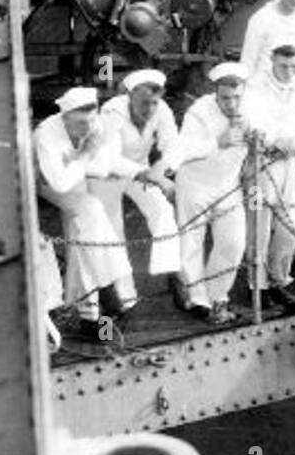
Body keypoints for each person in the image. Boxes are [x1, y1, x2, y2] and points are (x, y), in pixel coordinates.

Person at [34, 86, 145, 336]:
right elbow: (58, 182)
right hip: (40, 182)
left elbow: (106, 163)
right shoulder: (46, 134)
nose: (87, 127)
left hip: (73, 180)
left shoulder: (94, 126)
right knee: (91, 210)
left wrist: (140, 172)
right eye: (80, 122)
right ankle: (107, 288)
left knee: (86, 234)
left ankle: (91, 317)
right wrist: (84, 156)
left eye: (90, 120)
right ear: (65, 117)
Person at [96, 69, 192, 306]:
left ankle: (173, 275)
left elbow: (174, 147)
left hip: (142, 171)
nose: (149, 109)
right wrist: (155, 177)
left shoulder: (161, 109)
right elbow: (110, 158)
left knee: (163, 211)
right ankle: (124, 295)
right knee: (113, 230)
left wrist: (162, 167)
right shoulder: (112, 111)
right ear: (129, 98)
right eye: (142, 103)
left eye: (153, 103)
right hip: (107, 174)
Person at [243, 41, 295, 302]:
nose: (289, 70)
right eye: (283, 65)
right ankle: (256, 286)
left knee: (292, 227)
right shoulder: (255, 87)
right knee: (258, 226)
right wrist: (273, 140)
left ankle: (278, 279)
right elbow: (252, 118)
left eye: (293, 66)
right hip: (261, 166)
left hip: (292, 164)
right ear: (273, 61)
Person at [175, 63, 252, 323]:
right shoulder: (198, 113)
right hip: (195, 184)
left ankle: (218, 294)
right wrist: (217, 142)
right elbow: (183, 150)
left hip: (228, 185)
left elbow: (269, 133)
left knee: (233, 241)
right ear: (215, 94)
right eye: (225, 98)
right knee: (191, 242)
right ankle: (198, 300)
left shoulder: (252, 109)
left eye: (237, 97)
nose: (231, 104)